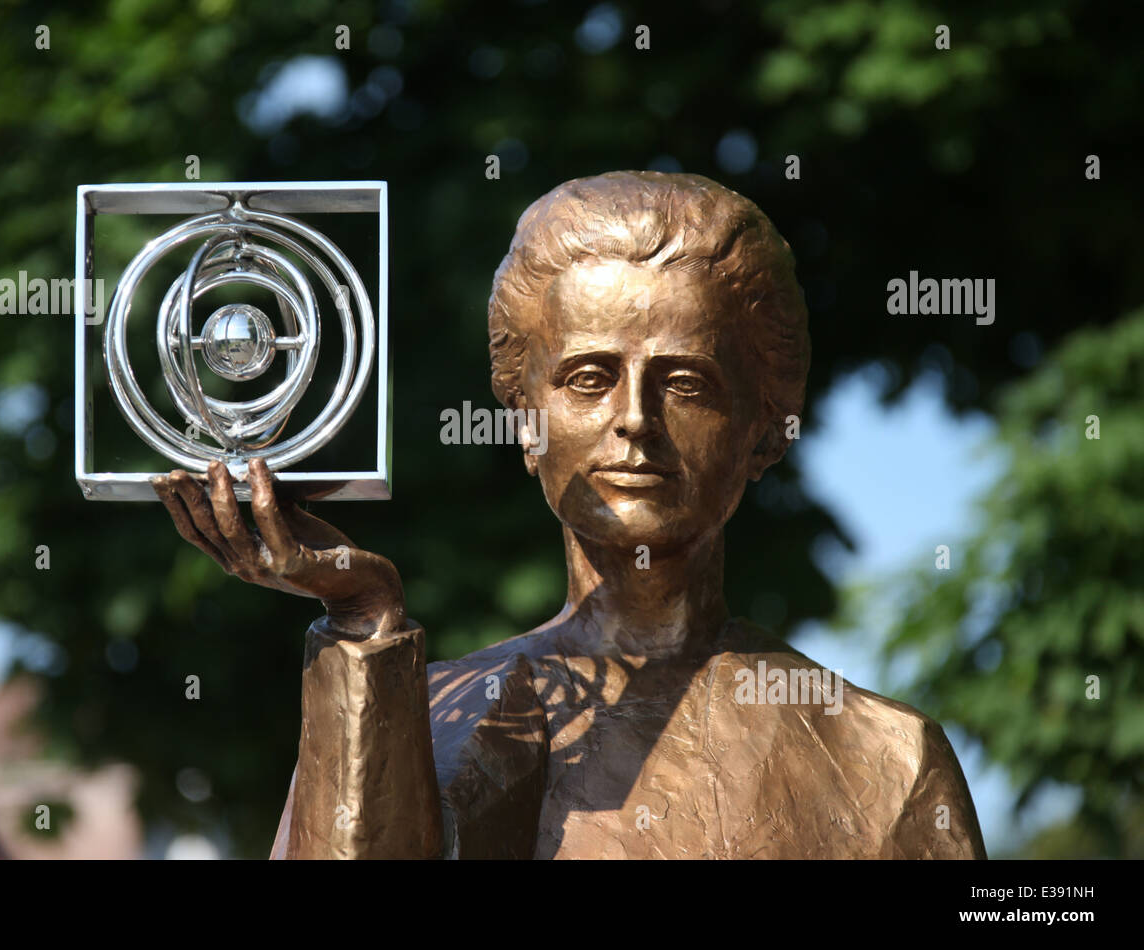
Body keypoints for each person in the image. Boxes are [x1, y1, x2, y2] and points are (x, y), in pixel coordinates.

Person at [152, 170, 986, 859]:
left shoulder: (885, 758)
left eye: (687, 382)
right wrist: (363, 624)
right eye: (589, 378)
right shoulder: (429, 722)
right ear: (524, 421)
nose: (634, 420)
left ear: (766, 430)